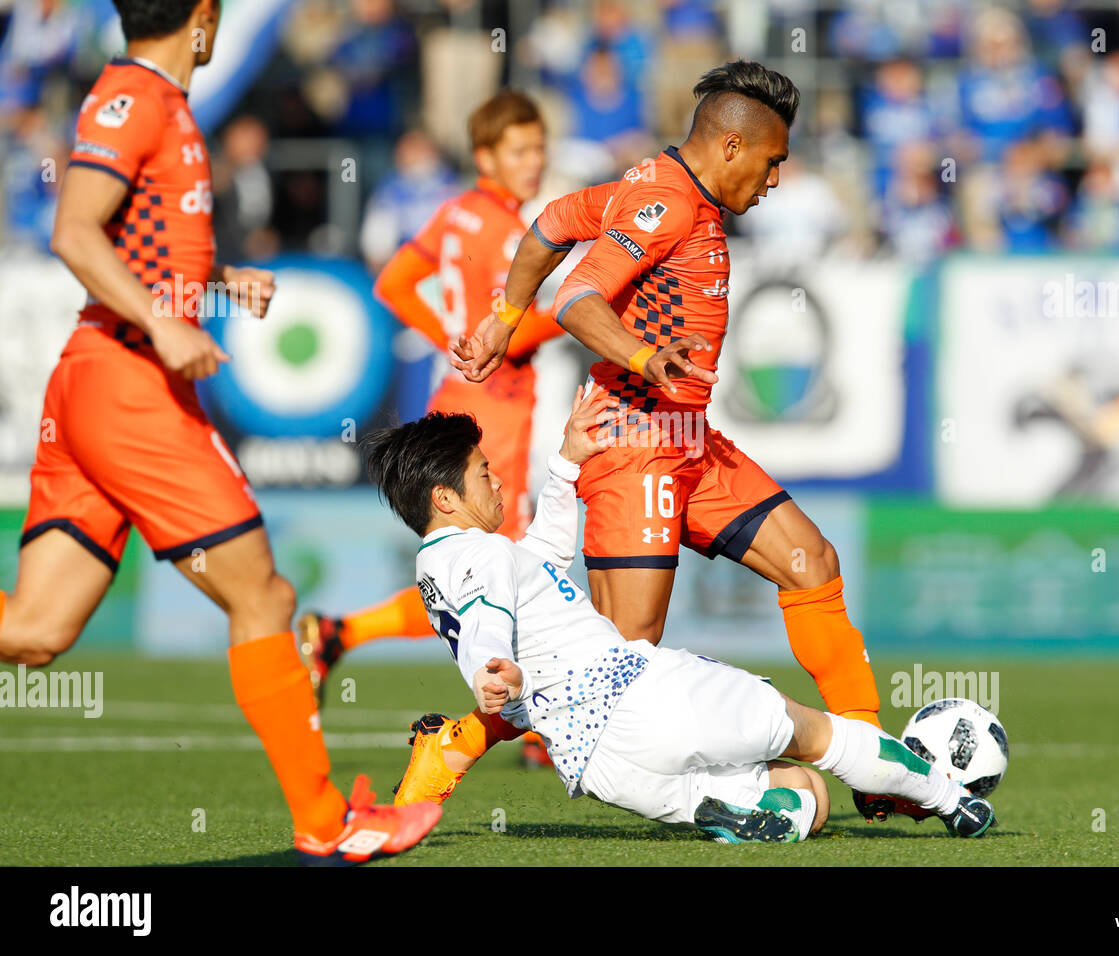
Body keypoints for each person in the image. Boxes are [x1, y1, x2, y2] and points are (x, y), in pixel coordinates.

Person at [0, 0, 440, 866]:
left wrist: (216, 281)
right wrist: (163, 326)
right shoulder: (133, 98)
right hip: (130, 384)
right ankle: (326, 821)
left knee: (36, 633)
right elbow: (74, 231)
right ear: (203, 17)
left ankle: (327, 819)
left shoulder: (157, 101)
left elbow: (137, 243)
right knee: (264, 598)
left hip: (100, 379)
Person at [418, 60, 912, 826]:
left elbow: (550, 225)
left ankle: (875, 761)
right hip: (632, 447)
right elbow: (579, 296)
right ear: (732, 147)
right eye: (772, 161)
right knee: (619, 663)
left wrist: (505, 317)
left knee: (811, 561)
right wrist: (643, 356)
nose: (776, 179)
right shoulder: (663, 201)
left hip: (691, 441)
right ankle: (454, 746)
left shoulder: (651, 185)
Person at [369, 388, 997, 842]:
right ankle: (954, 801)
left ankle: (740, 814)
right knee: (819, 737)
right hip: (640, 695)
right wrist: (489, 670)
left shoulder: (447, 562)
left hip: (597, 766)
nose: (498, 482)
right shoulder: (477, 556)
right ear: (445, 497)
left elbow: (543, 557)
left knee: (809, 799)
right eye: (484, 473)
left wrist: (565, 462)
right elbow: (486, 621)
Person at [297, 90, 565, 765]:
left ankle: (339, 633)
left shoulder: (454, 214)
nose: (535, 162)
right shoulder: (504, 228)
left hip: (460, 397)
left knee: (477, 572)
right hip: (495, 406)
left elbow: (393, 282)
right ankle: (532, 725)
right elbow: (522, 326)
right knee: (505, 569)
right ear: (485, 156)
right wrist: (581, 310)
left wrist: (451, 338)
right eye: (520, 150)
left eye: (539, 148)